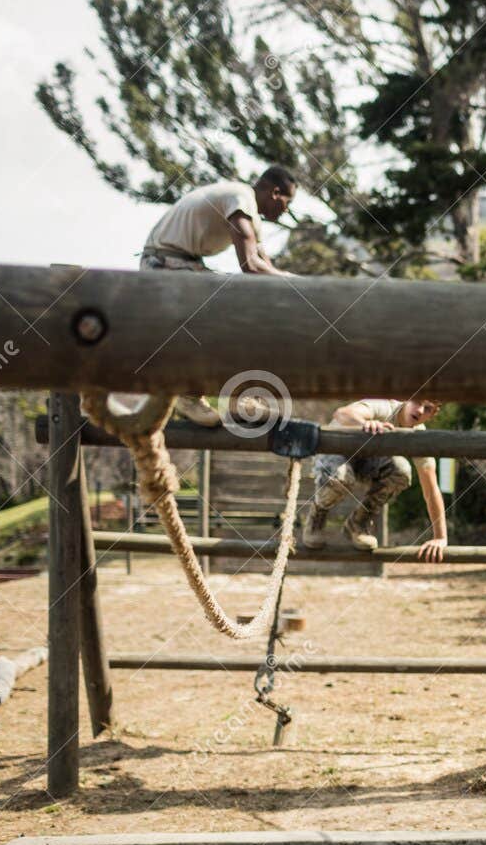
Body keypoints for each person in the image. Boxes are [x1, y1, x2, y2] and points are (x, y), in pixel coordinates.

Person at [139, 166, 298, 427]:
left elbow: (266, 267)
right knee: (235, 309)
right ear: (275, 192)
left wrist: (288, 284)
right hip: (164, 264)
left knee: (251, 307)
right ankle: (196, 394)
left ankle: (237, 395)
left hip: (183, 264)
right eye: (287, 202)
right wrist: (293, 284)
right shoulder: (240, 197)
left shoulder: (249, 213)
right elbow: (250, 265)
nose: (286, 210)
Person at [300, 399, 447, 560]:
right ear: (406, 400)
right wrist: (363, 423)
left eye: (427, 409)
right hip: (335, 452)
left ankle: (358, 523)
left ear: (432, 415)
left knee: (401, 472)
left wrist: (440, 537)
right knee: (341, 477)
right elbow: (342, 413)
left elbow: (431, 490)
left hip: (366, 461)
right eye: (417, 402)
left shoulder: (419, 436)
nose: (419, 410)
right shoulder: (385, 408)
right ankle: (317, 516)